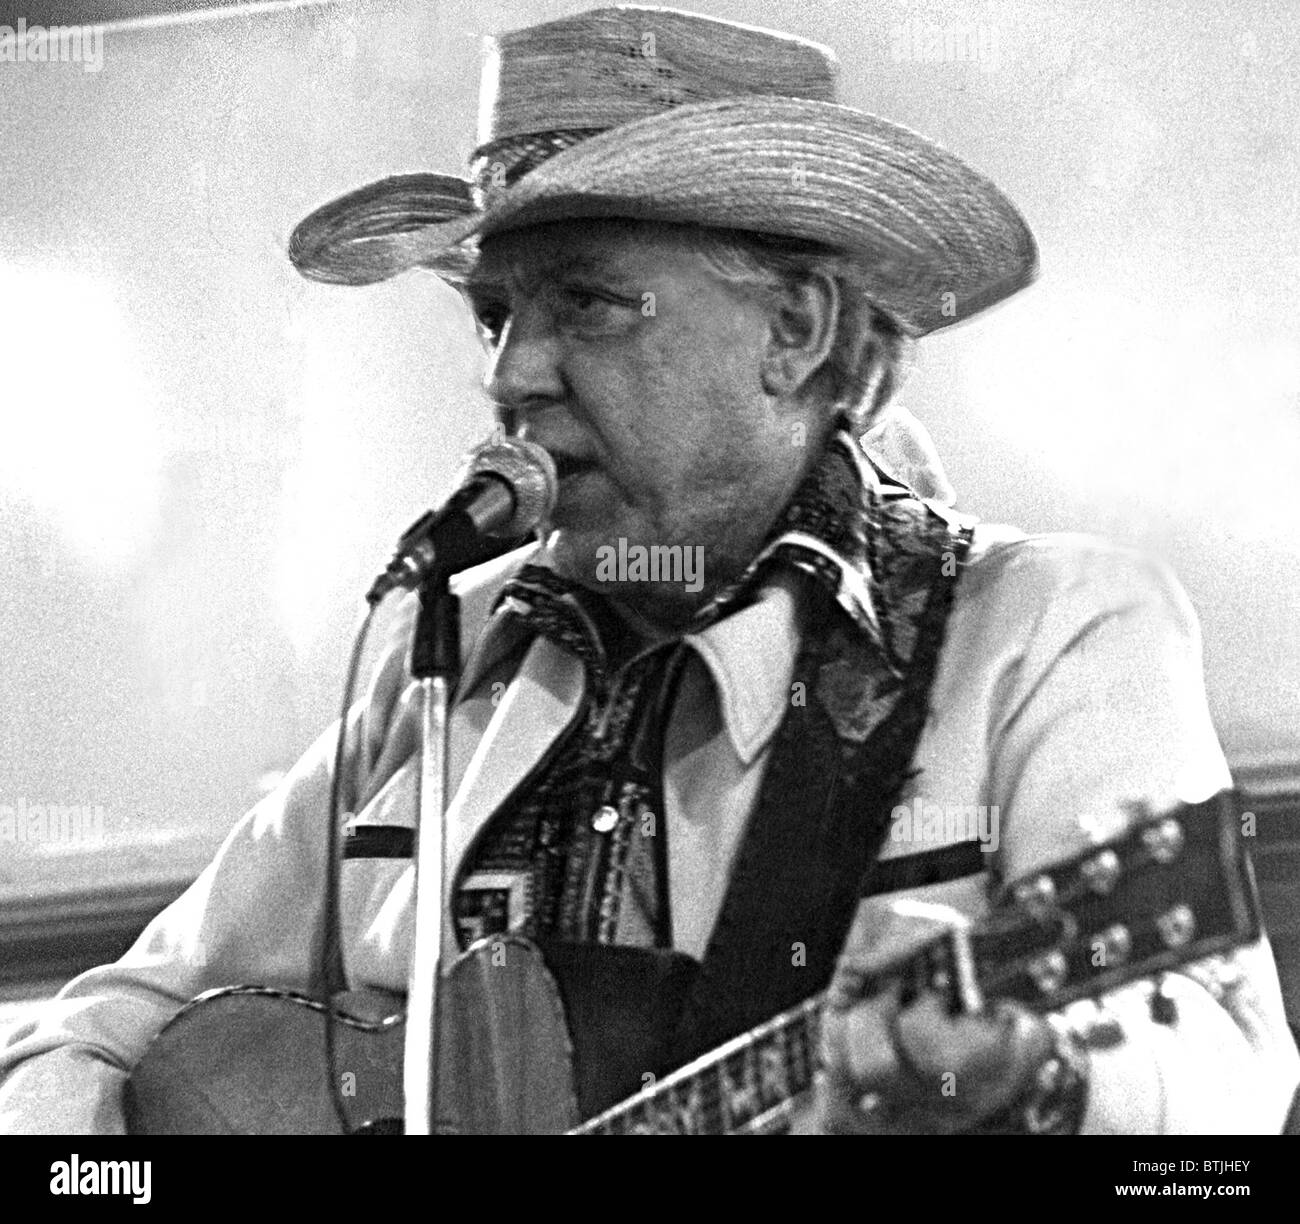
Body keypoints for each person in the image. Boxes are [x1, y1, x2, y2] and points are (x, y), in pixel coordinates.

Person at [1, 5, 1296, 1136]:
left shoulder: (1041, 634)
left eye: (588, 304)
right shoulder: (441, 663)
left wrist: (1034, 1084)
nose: (507, 375)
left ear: (794, 331)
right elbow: (88, 1035)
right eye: (492, 312)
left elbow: (1218, 1074)